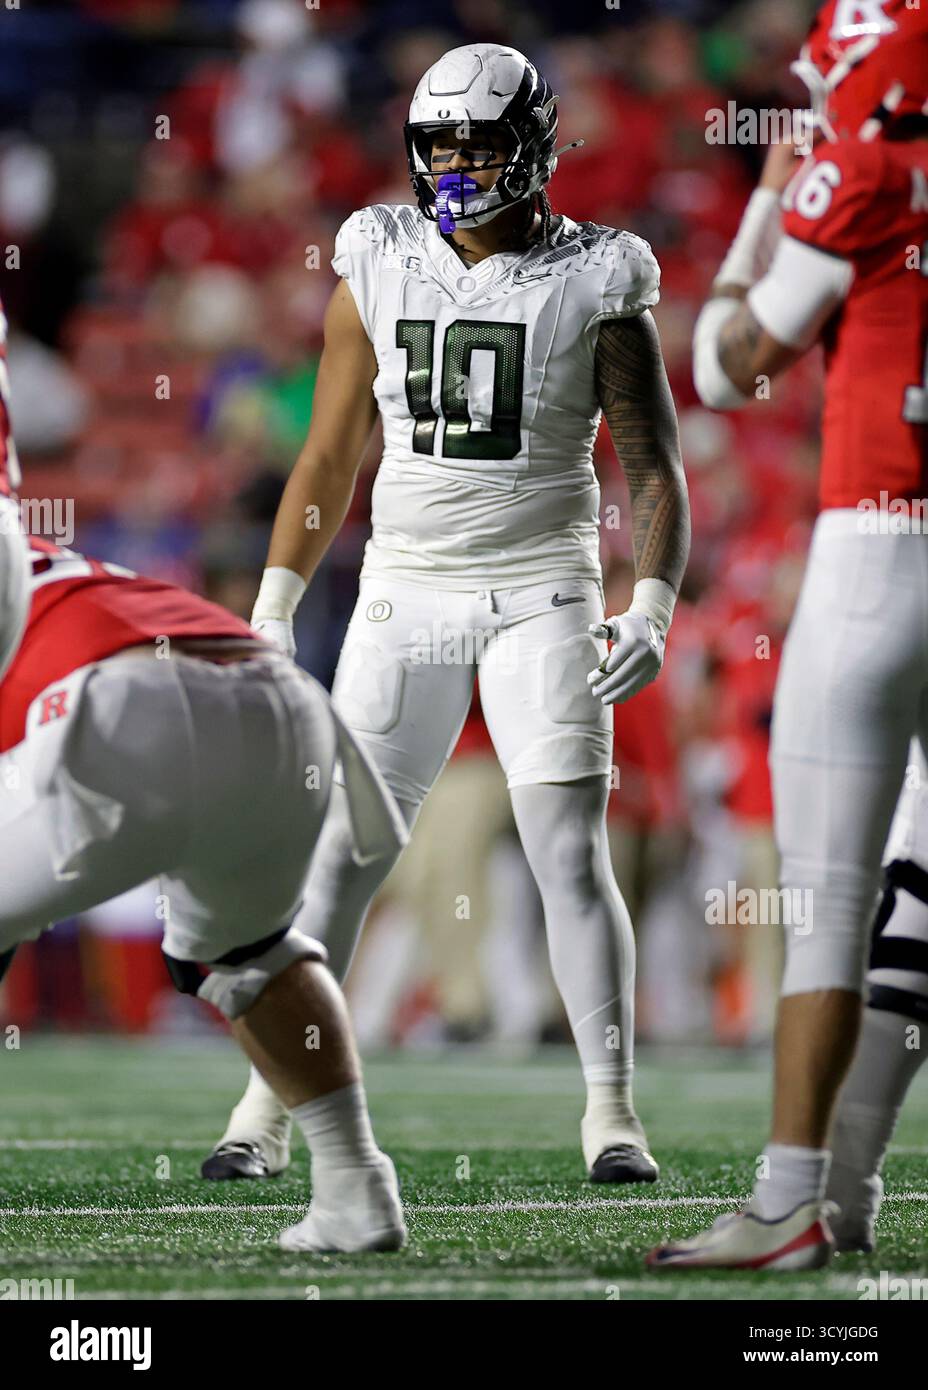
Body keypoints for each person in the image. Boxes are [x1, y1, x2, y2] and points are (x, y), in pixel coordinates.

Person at [202, 42, 690, 1186]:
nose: (460, 162)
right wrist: (276, 602)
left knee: (570, 852)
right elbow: (330, 451)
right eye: (441, 144)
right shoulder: (374, 255)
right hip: (405, 586)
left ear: (534, 145)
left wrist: (653, 599)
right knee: (344, 857)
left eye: (480, 140)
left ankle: (611, 1114)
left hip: (544, 588)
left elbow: (652, 465)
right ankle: (263, 1110)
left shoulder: (603, 272)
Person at [0, 301, 407, 1256]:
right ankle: (356, 1190)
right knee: (248, 953)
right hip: (277, 706)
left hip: (115, 705)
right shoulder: (66, 560)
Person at [652, 0, 928, 1269]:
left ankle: (788, 1199)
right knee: (916, 901)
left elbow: (728, 363)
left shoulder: (868, 143)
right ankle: (850, 1199)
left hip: (881, 543)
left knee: (830, 903)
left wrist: (762, 206)